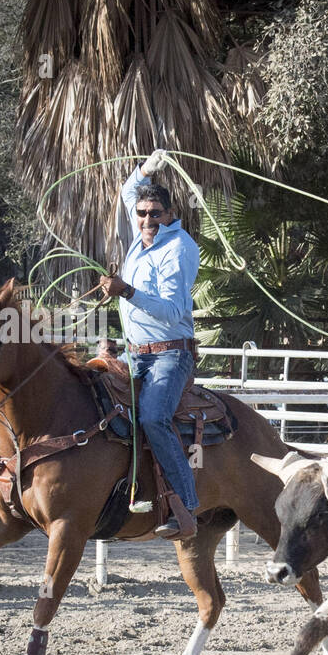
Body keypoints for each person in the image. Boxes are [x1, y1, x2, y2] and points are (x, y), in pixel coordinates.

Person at [98, 149, 201, 540]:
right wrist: (147, 168)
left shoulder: (177, 249)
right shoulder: (142, 232)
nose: (145, 220)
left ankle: (186, 505)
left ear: (170, 214)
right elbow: (129, 193)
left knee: (154, 417)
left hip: (170, 355)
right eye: (141, 214)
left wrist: (127, 291)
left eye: (154, 214)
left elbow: (174, 311)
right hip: (134, 353)